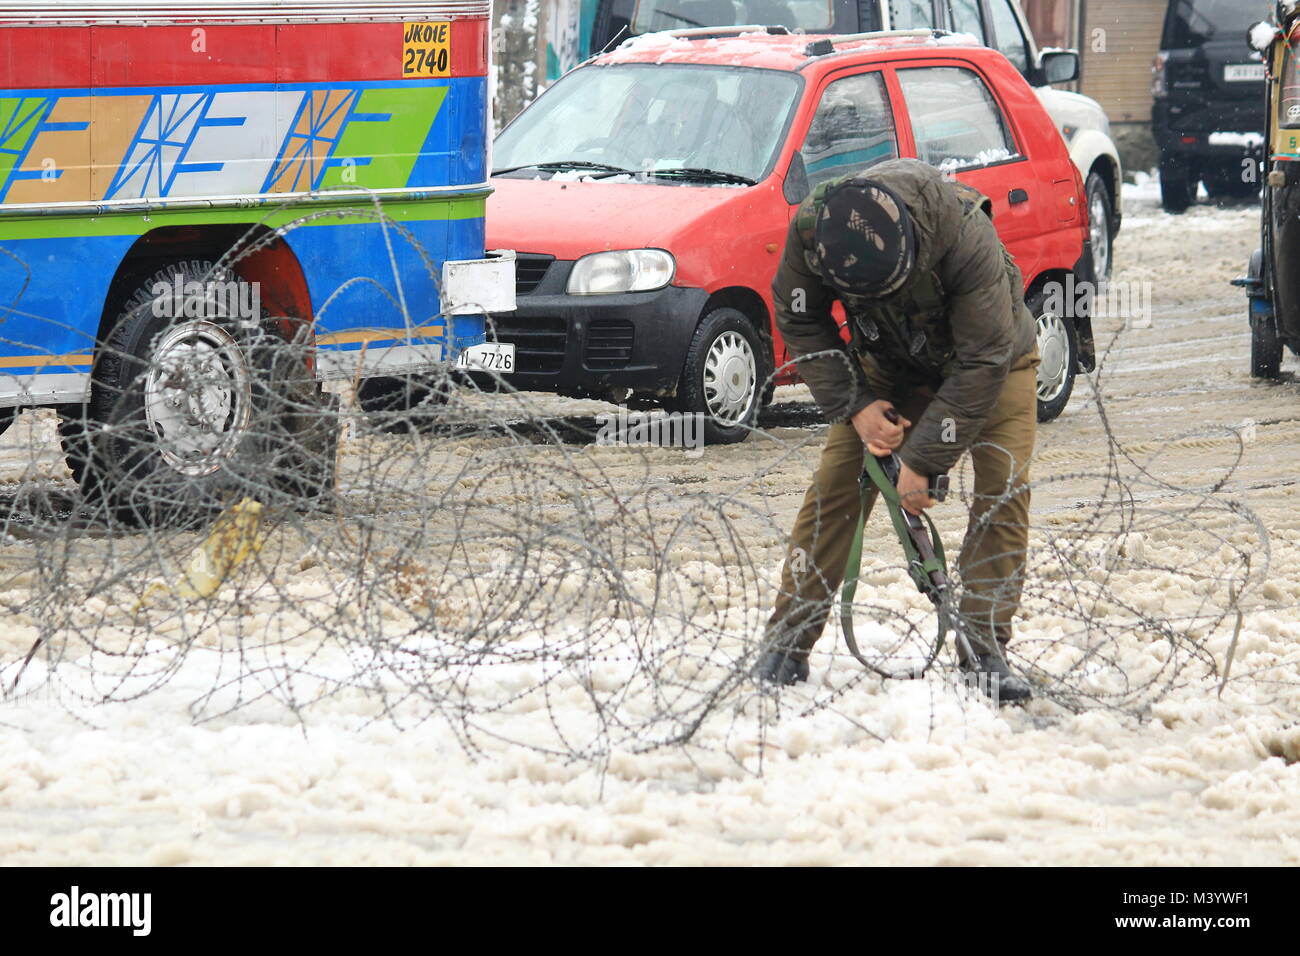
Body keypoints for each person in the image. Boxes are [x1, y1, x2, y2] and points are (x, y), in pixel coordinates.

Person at [755, 158, 1038, 704]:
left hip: (993, 362)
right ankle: (787, 642)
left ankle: (984, 648)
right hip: (887, 363)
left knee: (1003, 488)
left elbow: (983, 361)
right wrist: (856, 405)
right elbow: (799, 318)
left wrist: (924, 463)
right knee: (836, 490)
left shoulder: (963, 236)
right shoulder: (814, 228)